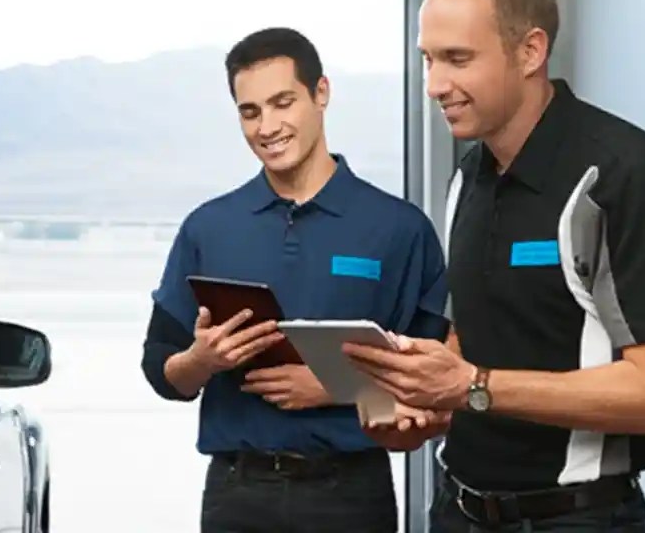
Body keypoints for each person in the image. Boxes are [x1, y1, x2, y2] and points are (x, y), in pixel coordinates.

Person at [344, 0, 645, 532]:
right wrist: (421, 401)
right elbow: (476, 341)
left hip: (574, 517)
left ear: (530, 51)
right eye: (428, 60)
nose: (435, 85)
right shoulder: (468, 174)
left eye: (458, 59)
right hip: (456, 509)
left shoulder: (619, 171)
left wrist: (473, 387)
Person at [139, 26, 450, 533]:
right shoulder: (208, 227)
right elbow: (160, 371)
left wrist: (334, 387)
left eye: (283, 102)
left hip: (352, 495)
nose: (267, 126)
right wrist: (202, 361)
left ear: (320, 94)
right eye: (250, 111)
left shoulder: (399, 229)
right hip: (236, 495)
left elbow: (435, 382)